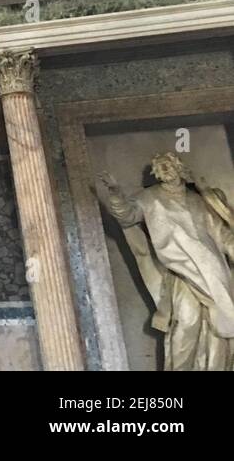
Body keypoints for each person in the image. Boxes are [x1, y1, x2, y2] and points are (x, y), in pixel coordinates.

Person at [97, 151, 234, 370]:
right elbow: (127, 216)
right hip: (181, 273)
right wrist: (116, 193)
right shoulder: (150, 197)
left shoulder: (197, 200)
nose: (166, 170)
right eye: (161, 167)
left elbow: (221, 235)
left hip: (213, 272)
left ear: (180, 168)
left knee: (219, 327)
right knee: (186, 322)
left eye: (169, 165)